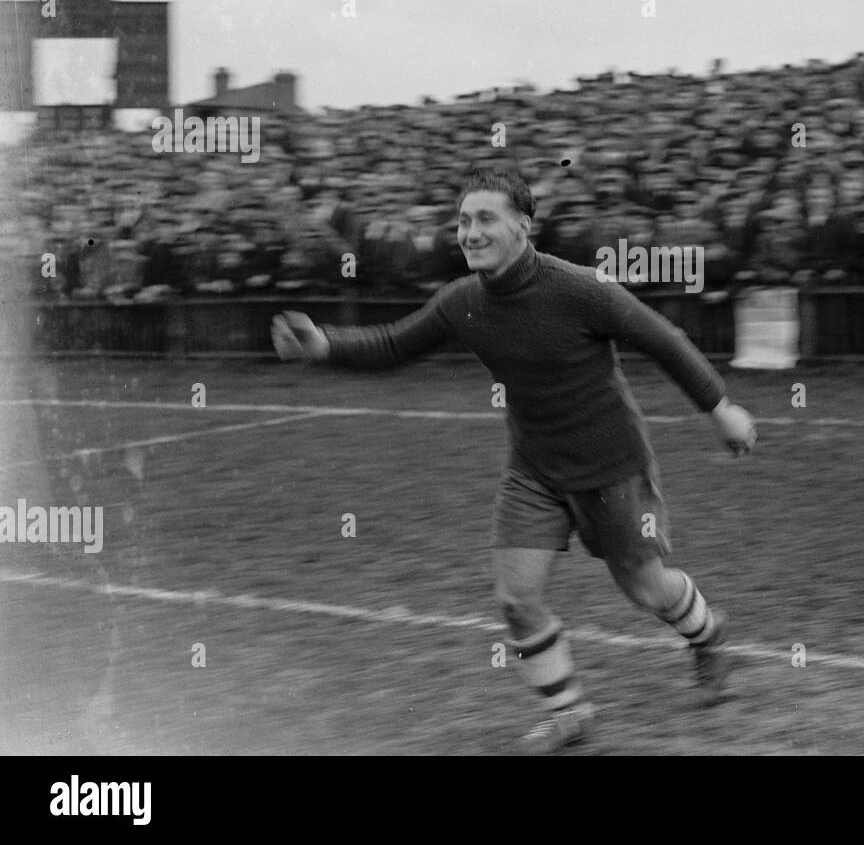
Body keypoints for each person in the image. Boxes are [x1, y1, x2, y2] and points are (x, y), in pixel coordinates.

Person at [271, 168, 757, 753]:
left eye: (485, 219)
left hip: (612, 469)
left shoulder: (580, 288)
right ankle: (569, 712)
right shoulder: (462, 301)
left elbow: (665, 340)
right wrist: (325, 345)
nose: (470, 233)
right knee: (515, 598)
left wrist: (720, 407)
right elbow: (398, 344)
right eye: (462, 221)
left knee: (647, 590)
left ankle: (707, 636)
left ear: (523, 226)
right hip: (534, 471)